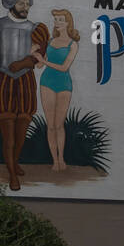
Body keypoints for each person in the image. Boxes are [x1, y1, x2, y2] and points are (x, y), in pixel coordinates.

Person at [0, 0, 48, 189]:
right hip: (4, 79)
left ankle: (14, 162)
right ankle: (12, 174)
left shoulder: (36, 28)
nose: (25, 6)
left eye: (27, 3)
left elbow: (40, 54)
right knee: (8, 131)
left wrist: (26, 63)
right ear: (11, 3)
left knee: (22, 131)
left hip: (26, 80)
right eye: (21, 3)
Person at [35, 9, 79, 172]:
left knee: (59, 124)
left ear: (68, 23)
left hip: (64, 84)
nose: (57, 22)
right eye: (56, 19)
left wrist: (43, 62)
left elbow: (64, 67)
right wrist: (34, 52)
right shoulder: (50, 41)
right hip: (47, 83)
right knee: (51, 125)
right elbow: (39, 64)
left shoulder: (72, 44)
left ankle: (62, 159)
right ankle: (55, 160)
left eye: (60, 20)